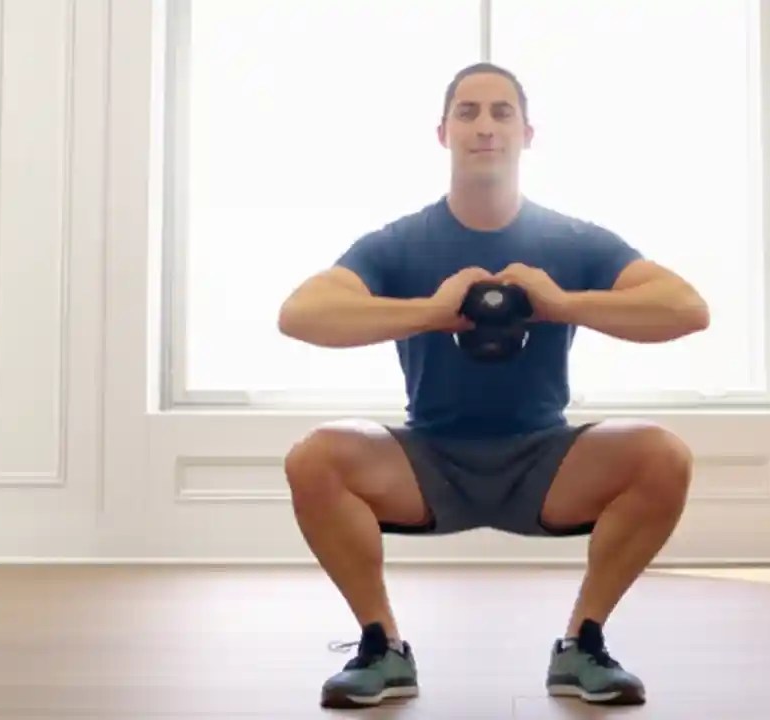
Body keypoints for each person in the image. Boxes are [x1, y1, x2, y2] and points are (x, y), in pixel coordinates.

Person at [276, 62, 710, 709]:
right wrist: (432, 310)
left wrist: (560, 302)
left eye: (501, 113)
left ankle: (582, 645)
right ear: (443, 132)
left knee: (661, 454)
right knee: (316, 456)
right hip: (428, 462)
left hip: (544, 461)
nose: (485, 127)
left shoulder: (571, 239)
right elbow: (301, 314)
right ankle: (382, 647)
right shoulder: (400, 242)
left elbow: (685, 308)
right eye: (469, 113)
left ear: (527, 134)